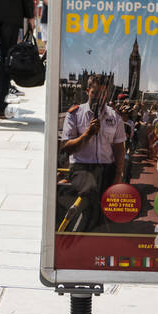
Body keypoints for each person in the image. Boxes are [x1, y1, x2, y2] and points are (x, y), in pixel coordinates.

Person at [60, 74, 125, 230]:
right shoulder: (75, 114)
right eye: (95, 93)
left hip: (106, 168)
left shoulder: (115, 117)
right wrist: (87, 134)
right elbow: (66, 147)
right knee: (92, 194)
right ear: (87, 91)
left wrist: (118, 175)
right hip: (82, 168)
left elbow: (119, 148)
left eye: (102, 93)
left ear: (107, 94)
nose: (99, 97)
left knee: (108, 205)